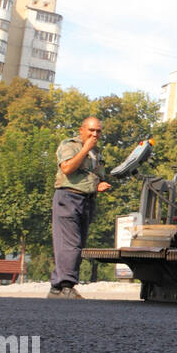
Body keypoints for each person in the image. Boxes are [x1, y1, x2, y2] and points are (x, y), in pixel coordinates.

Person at [49, 116, 112, 299]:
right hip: (68, 197)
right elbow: (67, 169)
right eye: (91, 130)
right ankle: (67, 286)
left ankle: (56, 287)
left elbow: (96, 177)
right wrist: (86, 148)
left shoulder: (97, 153)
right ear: (81, 130)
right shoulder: (70, 145)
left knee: (74, 245)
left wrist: (100, 185)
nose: (95, 134)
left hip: (87, 200)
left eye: (98, 131)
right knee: (71, 244)